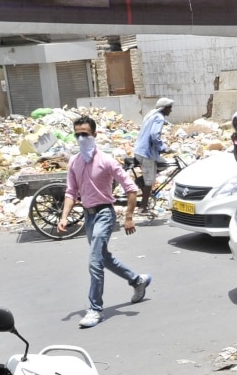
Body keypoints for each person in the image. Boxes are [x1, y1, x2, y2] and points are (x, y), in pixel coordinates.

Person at [57, 116, 151, 329]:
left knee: (95, 261)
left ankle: (95, 309)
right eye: (77, 135)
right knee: (103, 258)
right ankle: (137, 280)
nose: (81, 138)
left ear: (94, 135)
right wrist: (64, 217)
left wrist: (129, 217)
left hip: (104, 214)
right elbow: (71, 192)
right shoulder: (74, 162)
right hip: (89, 216)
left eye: (85, 134)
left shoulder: (106, 161)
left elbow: (131, 189)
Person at [134, 98, 173, 212]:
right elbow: (154, 135)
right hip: (147, 153)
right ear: (164, 108)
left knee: (164, 164)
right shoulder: (159, 117)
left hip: (139, 150)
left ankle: (141, 181)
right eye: (169, 108)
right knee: (149, 181)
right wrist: (163, 148)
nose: (171, 110)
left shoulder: (151, 115)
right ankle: (143, 207)